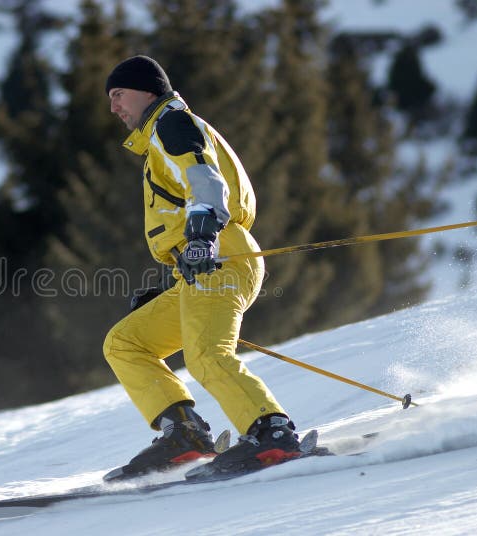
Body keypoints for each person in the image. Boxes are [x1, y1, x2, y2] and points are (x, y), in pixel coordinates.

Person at [102, 55, 302, 478]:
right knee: (126, 343)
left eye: (119, 95)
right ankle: (184, 434)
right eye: (110, 99)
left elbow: (204, 178)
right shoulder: (161, 132)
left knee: (207, 354)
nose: (114, 107)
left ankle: (272, 432)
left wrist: (202, 235)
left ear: (148, 90)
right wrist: (173, 277)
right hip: (199, 261)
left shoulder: (172, 123)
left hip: (220, 252)